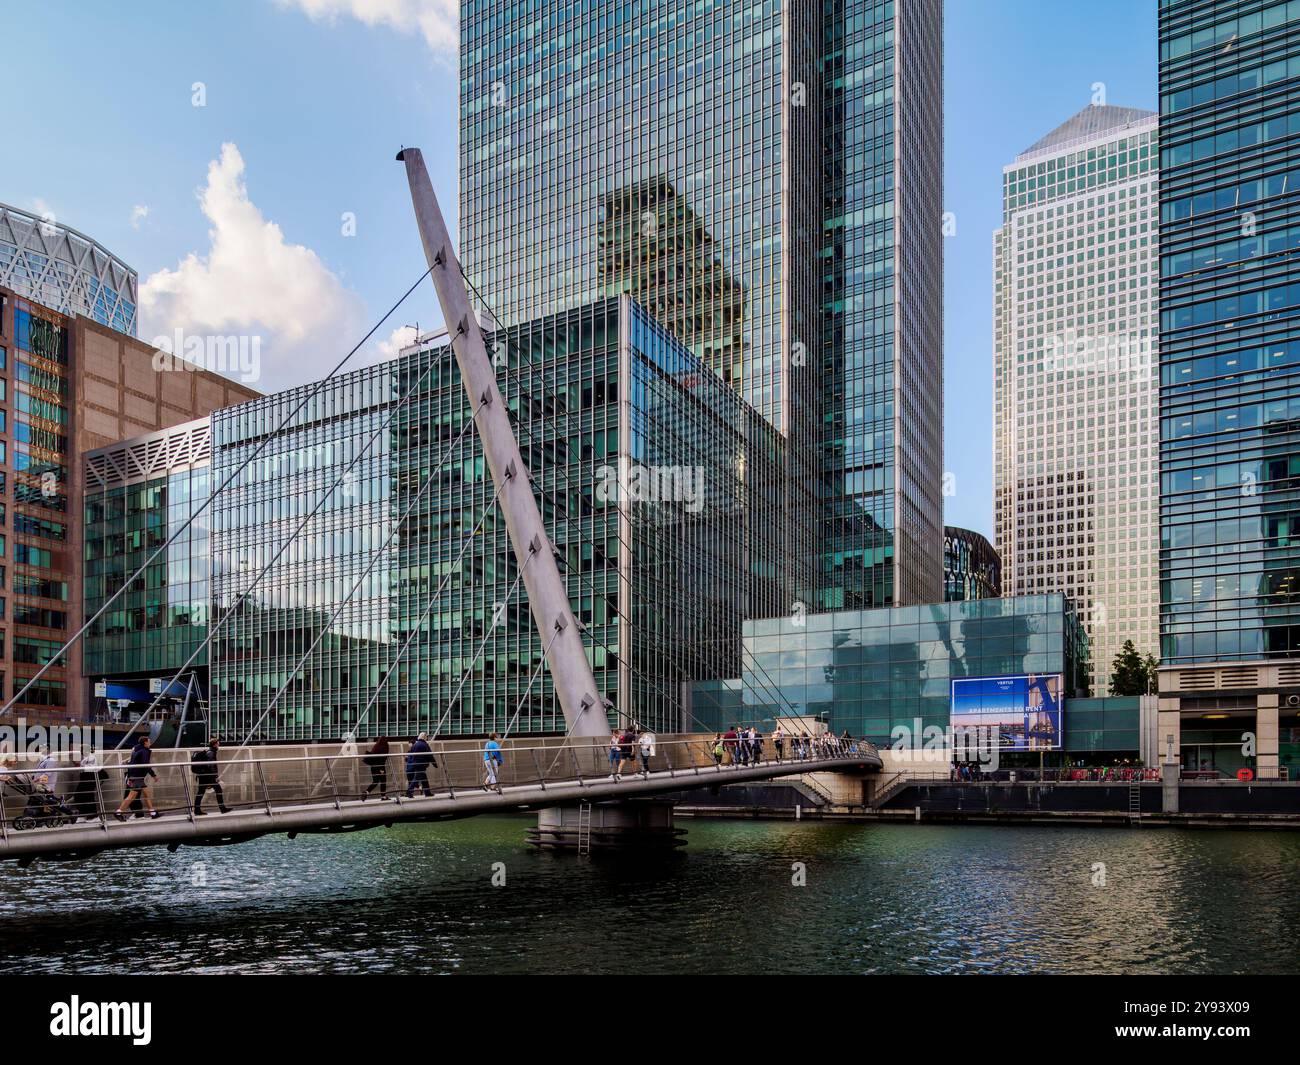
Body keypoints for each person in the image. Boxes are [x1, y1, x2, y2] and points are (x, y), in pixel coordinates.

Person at [114, 737, 159, 821]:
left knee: (146, 794)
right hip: (137, 777)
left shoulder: (136, 750)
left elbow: (134, 762)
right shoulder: (144, 751)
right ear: (145, 743)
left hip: (136, 776)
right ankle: (118, 813)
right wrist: (154, 775)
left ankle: (153, 813)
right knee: (131, 796)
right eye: (149, 741)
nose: (150, 743)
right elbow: (146, 765)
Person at [190, 736, 229, 815]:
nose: (218, 746)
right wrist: (215, 777)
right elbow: (210, 765)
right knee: (218, 790)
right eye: (218, 744)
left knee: (201, 792)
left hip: (204, 776)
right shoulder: (211, 752)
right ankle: (222, 809)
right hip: (208, 776)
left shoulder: (209, 751)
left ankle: (197, 810)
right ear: (214, 745)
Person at [405, 732, 435, 797]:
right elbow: (430, 755)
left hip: (415, 764)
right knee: (417, 779)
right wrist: (434, 763)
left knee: (424, 779)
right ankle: (409, 792)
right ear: (424, 737)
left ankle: (427, 792)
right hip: (422, 765)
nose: (427, 738)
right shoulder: (425, 744)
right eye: (426, 737)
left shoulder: (415, 744)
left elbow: (411, 755)